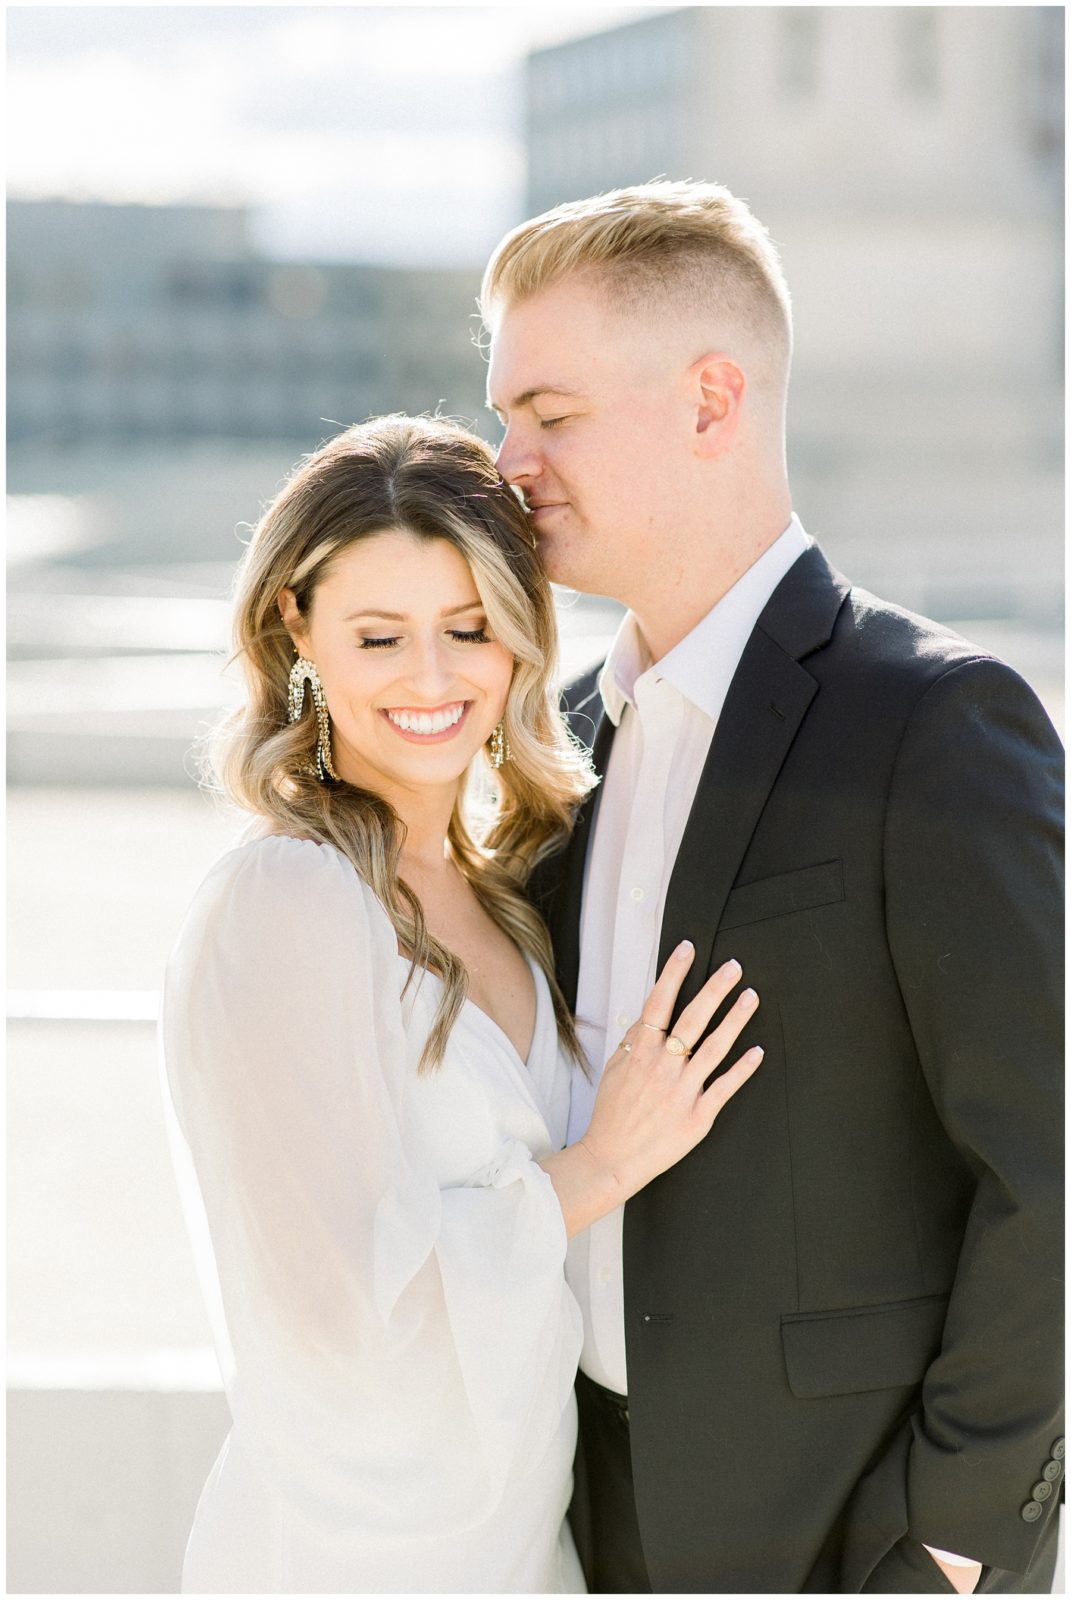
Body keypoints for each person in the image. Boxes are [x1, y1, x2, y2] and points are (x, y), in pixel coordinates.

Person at [482, 181, 1064, 1594]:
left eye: (548, 415)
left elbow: (1046, 1164)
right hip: (573, 1521)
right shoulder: (554, 739)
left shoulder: (935, 722)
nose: (505, 461)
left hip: (840, 1541)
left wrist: (951, 1546)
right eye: (504, 416)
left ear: (709, 399)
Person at [159, 415, 764, 1593]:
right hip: (358, 1560)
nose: (431, 681)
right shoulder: (290, 899)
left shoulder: (506, 898)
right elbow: (335, 1312)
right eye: (379, 636)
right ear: (298, 627)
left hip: (523, 1542)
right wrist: (603, 1164)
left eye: (469, 629)